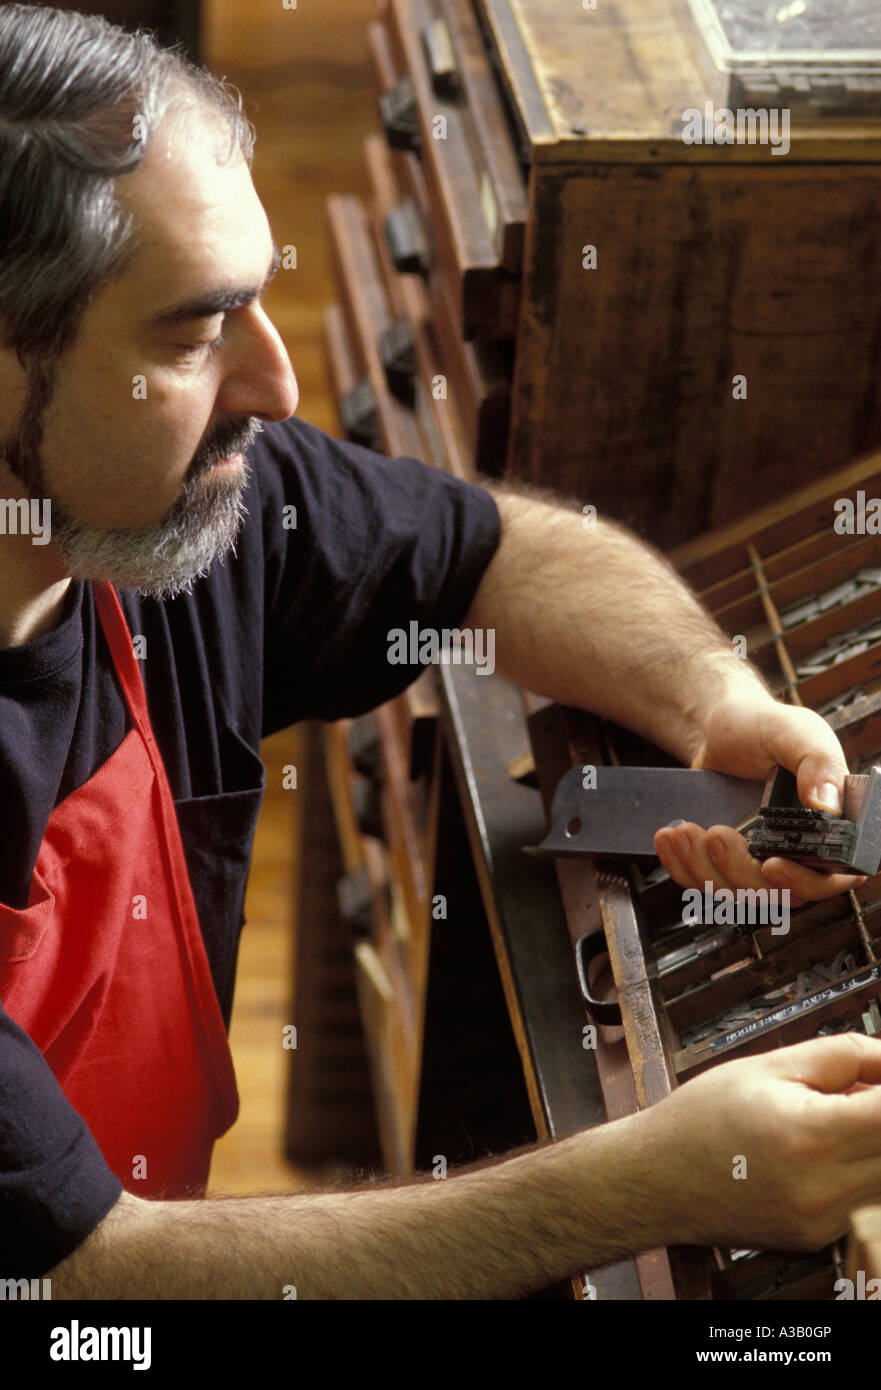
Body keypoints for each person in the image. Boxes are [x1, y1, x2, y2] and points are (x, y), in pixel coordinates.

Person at [1, 5, 879, 1301]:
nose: (275, 386)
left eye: (255, 303)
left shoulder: (174, 510)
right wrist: (658, 1180)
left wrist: (710, 700)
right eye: (191, 337)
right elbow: (84, 1277)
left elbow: (492, 555)